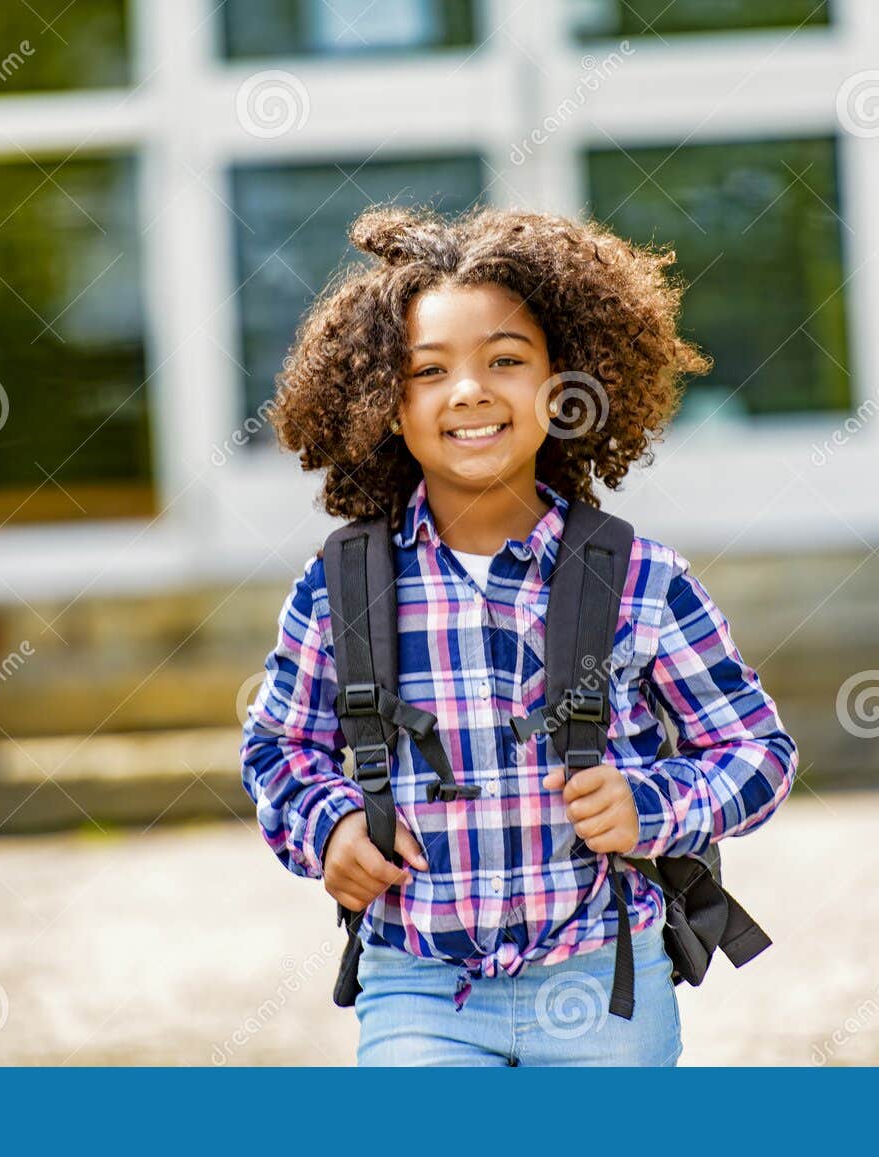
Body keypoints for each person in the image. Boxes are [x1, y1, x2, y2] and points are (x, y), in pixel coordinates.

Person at [241, 203, 798, 1066]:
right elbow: (278, 748)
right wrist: (332, 828)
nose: (470, 390)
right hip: (417, 987)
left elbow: (757, 749)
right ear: (385, 403)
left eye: (506, 360)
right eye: (430, 371)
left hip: (607, 982)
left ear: (564, 386)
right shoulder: (342, 586)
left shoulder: (640, 579)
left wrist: (651, 805)